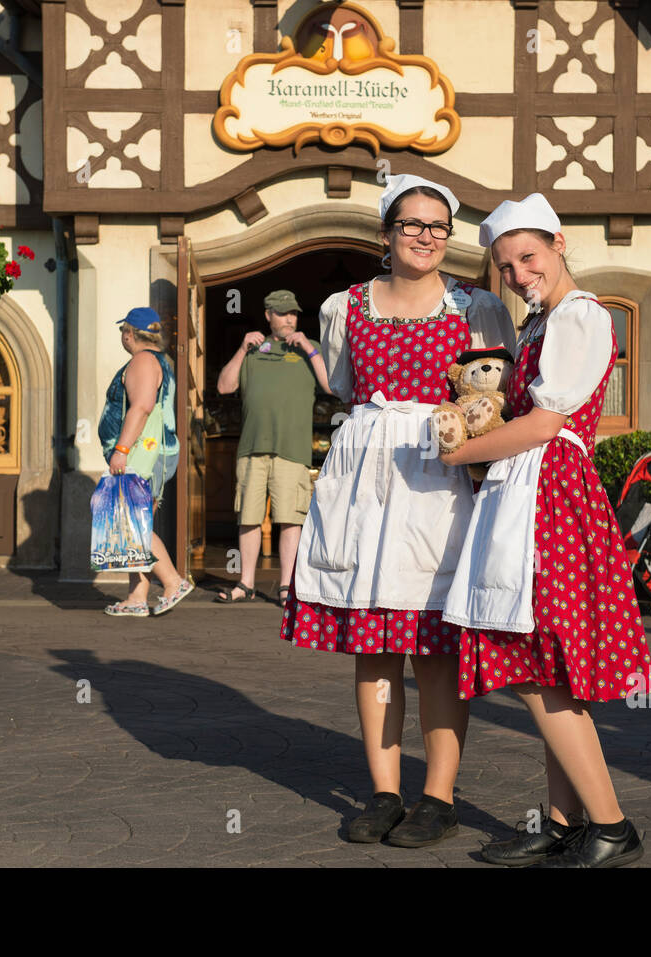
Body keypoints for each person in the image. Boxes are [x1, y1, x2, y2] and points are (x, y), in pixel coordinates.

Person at [281, 174, 517, 847]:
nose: (425, 237)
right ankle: (385, 791)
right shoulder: (344, 305)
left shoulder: (475, 308)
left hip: (440, 483)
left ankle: (439, 795)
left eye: (438, 226)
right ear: (386, 234)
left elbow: (493, 395)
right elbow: (349, 386)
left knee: (436, 650)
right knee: (374, 652)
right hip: (367, 481)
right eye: (411, 224)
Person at [437, 193, 651, 868]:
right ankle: (564, 822)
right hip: (530, 493)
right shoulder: (540, 325)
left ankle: (613, 825)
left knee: (540, 670)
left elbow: (543, 424)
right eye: (504, 265)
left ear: (558, 243)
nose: (518, 272)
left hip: (552, 496)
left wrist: (458, 454)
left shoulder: (580, 316)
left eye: (527, 256)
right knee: (543, 667)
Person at [214, 290, 331, 603]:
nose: (289, 318)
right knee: (248, 517)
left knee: (290, 519)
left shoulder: (311, 350)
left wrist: (308, 347)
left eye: (293, 312)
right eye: (282, 313)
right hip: (252, 448)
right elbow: (224, 386)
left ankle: (286, 586)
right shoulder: (252, 350)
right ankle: (246, 583)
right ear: (268, 315)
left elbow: (332, 385)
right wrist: (241, 349)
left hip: (291, 449)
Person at [98, 306, 194, 616]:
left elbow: (141, 407)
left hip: (142, 454)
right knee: (138, 523)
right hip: (154, 453)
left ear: (129, 334)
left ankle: (173, 582)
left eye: (122, 331)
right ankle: (137, 598)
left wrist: (122, 449)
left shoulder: (142, 361)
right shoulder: (159, 362)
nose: (122, 337)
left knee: (133, 524)